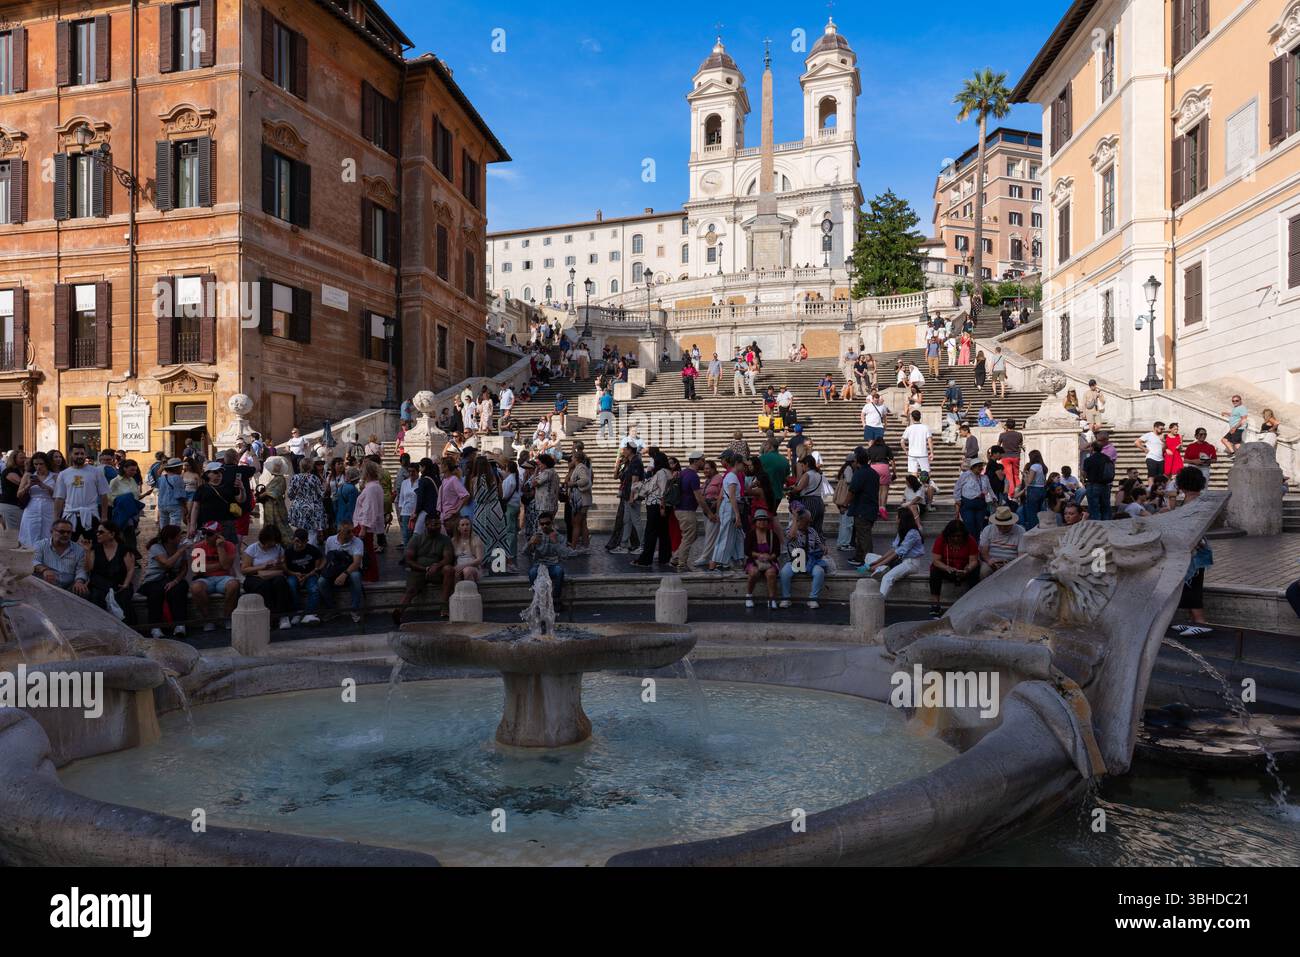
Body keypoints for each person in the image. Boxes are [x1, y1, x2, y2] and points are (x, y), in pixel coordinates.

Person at [1170, 466, 1214, 637]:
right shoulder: (1198, 500)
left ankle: (1200, 622)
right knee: (1189, 584)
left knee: (1192, 585)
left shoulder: (1191, 502)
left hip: (1194, 551)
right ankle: (1192, 620)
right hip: (1197, 549)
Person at [858, 508, 926, 598]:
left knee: (887, 577)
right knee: (869, 556)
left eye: (897, 516)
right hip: (900, 561)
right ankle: (882, 568)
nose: (895, 518)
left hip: (911, 563)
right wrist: (876, 562)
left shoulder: (913, 533)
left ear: (902, 519)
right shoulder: (902, 531)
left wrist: (877, 565)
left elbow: (897, 553)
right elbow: (893, 549)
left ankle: (879, 601)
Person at [139, 525, 190, 639]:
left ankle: (180, 624)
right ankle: (155, 627)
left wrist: (176, 581)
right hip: (154, 579)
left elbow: (184, 568)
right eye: (179, 536)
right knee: (156, 592)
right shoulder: (156, 548)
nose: (181, 538)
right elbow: (167, 564)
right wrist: (180, 551)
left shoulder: (180, 547)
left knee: (179, 589)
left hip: (173, 578)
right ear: (170, 538)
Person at [241, 525, 295, 630]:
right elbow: (244, 570)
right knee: (264, 586)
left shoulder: (279, 549)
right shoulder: (252, 549)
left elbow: (284, 568)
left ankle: (282, 615)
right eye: (271, 541)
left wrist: (280, 564)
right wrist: (263, 566)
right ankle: (267, 617)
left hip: (273, 574)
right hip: (255, 576)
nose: (273, 544)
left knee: (280, 582)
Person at [53, 444, 110, 541]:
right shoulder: (63, 474)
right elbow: (59, 498)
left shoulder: (96, 472)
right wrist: (56, 519)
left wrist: (104, 516)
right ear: (71, 455)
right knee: (67, 546)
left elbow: (104, 495)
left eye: (82, 453)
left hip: (91, 514)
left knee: (94, 546)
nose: (79, 456)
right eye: (76, 453)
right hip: (70, 515)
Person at [778, 507, 831, 609]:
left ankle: (813, 599)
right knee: (784, 572)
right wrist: (794, 517)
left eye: (809, 521)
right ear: (799, 521)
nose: (808, 524)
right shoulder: (791, 529)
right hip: (795, 561)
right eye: (806, 522)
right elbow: (791, 536)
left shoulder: (812, 531)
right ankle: (786, 598)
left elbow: (819, 544)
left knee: (819, 571)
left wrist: (823, 548)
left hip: (810, 561)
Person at [84, 521, 136, 625]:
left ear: (112, 534)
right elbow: (89, 568)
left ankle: (125, 628)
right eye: (97, 532)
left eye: (101, 532)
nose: (97, 534)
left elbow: (130, 569)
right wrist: (87, 552)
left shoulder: (124, 550)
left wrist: (125, 584)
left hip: (119, 584)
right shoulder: (95, 549)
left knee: (123, 598)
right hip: (99, 584)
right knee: (96, 596)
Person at [929, 519, 980, 618]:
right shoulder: (941, 540)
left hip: (964, 569)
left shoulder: (970, 540)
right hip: (947, 569)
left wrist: (967, 569)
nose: (956, 538)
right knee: (934, 570)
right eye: (953, 536)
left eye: (959, 536)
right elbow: (936, 560)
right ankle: (935, 603)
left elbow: (974, 560)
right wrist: (947, 568)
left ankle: (973, 602)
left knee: (976, 570)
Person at [632, 450, 674, 567]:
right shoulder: (668, 472)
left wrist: (661, 506)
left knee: (651, 533)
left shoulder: (661, 473)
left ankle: (646, 559)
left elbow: (661, 491)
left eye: (655, 461)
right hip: (663, 506)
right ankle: (664, 558)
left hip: (656, 505)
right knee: (663, 533)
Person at [322, 520, 365, 623]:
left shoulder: (357, 542)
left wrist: (344, 575)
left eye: (352, 531)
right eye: (348, 532)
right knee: (321, 581)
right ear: (340, 531)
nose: (352, 534)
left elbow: (356, 563)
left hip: (349, 570)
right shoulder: (330, 540)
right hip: (335, 571)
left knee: (355, 576)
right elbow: (328, 558)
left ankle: (354, 609)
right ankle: (332, 609)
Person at [709, 455, 746, 571]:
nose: (744, 466)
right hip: (730, 508)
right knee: (725, 535)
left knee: (737, 535)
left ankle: (737, 559)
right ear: (737, 463)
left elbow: (721, 496)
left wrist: (718, 512)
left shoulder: (729, 476)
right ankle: (716, 562)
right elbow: (732, 497)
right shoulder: (732, 477)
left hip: (727, 507)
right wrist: (737, 515)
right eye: (743, 464)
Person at [31, 519, 89, 593]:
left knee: (82, 591)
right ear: (52, 532)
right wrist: (44, 570)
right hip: (45, 583)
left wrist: (79, 581)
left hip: (68, 587)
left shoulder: (79, 550)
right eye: (62, 532)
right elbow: (33, 561)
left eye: (69, 532)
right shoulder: (41, 545)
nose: (66, 535)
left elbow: (81, 570)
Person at [847, 447, 882, 565]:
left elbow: (852, 490)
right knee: (861, 534)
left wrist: (844, 503)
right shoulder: (874, 473)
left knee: (864, 536)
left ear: (857, 460)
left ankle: (869, 560)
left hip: (862, 509)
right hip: (871, 508)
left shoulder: (859, 473)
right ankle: (859, 556)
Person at [284, 528, 324, 625]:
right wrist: (295, 574)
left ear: (307, 541)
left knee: (314, 588)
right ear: (293, 539)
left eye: (303, 542)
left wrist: (306, 576)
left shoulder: (312, 550)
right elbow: (284, 568)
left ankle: (310, 613)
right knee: (291, 585)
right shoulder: (288, 551)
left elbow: (318, 566)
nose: (300, 545)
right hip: (294, 574)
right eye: (297, 541)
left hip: (310, 574)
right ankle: (297, 611)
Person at [526, 512, 572, 597]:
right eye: (542, 524)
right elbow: (525, 553)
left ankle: (557, 599)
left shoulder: (559, 537)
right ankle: (537, 599)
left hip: (554, 565)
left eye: (547, 523)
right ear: (539, 524)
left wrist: (555, 543)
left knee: (559, 571)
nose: (545, 526)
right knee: (532, 573)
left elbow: (566, 555)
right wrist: (530, 543)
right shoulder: (536, 536)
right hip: (538, 566)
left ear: (552, 523)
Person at [743, 508, 782, 609]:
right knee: (753, 573)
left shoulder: (773, 534)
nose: (762, 522)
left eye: (764, 520)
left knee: (771, 574)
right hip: (754, 560)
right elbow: (747, 551)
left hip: (770, 561)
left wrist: (770, 557)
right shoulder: (750, 534)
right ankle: (749, 596)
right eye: (759, 520)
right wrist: (758, 555)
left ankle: (772, 599)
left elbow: (777, 552)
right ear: (755, 522)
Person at [17, 452, 57, 549]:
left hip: (49, 507)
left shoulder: (55, 476)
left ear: (46, 463)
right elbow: (19, 494)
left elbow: (58, 496)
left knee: (48, 534)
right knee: (31, 535)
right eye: (36, 464)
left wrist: (43, 485)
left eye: (41, 464)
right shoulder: (28, 476)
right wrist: (28, 486)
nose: (38, 467)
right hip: (32, 507)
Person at [979, 506, 1024, 578]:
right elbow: (984, 551)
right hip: (991, 560)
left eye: (1006, 526)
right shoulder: (988, 529)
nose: (1002, 528)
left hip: (1012, 562)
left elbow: (1021, 555)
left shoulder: (1020, 531)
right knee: (984, 572)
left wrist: (1011, 564)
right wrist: (990, 561)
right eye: (999, 525)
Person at [953, 460, 992, 537]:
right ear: (973, 467)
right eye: (979, 466)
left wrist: (994, 498)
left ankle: (976, 544)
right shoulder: (965, 475)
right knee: (969, 524)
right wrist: (957, 499)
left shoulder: (984, 477)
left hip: (981, 503)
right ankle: (970, 542)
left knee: (978, 525)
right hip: (967, 503)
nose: (981, 468)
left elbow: (989, 488)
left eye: (981, 466)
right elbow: (957, 487)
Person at [1019, 450, 1049, 530]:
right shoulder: (1043, 466)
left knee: (1032, 513)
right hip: (1042, 489)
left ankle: (1033, 530)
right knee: (1040, 512)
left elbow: (1029, 481)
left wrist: (1025, 475)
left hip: (1033, 490)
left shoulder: (1034, 466)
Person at [450, 516, 484, 585]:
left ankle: (470, 594)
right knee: (455, 572)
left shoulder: (476, 540)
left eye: (467, 524)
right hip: (458, 568)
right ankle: (458, 594)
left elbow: (479, 560)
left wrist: (463, 566)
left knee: (467, 570)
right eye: (462, 525)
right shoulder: (453, 541)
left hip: (474, 568)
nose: (465, 527)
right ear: (458, 528)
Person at [901, 410, 933, 480]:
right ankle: (925, 487)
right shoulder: (926, 427)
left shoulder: (909, 428)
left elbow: (902, 441)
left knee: (913, 473)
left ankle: (915, 489)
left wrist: (906, 451)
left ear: (912, 418)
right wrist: (931, 452)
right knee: (926, 473)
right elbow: (929, 440)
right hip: (923, 453)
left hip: (912, 454)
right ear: (920, 417)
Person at [997, 419, 1023, 498]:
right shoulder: (1019, 434)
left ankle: (1011, 493)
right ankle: (1018, 492)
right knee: (1016, 475)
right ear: (1014, 425)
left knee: (1009, 476)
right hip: (1016, 456)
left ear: (1007, 426)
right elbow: (1020, 445)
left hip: (1005, 457)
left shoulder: (1002, 435)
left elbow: (998, 446)